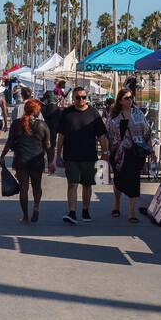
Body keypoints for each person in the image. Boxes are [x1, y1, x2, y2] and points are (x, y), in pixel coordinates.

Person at [53, 85, 108, 225]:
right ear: (73, 98)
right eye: (78, 97)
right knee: (72, 184)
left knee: (87, 185)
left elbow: (101, 136)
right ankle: (72, 212)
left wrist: (105, 153)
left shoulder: (94, 113)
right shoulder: (66, 113)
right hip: (71, 156)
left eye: (84, 97)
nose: (81, 100)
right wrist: (57, 155)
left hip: (89, 156)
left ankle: (85, 210)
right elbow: (61, 136)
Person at [1, 97, 53, 224]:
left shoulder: (17, 124)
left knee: (23, 188)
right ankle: (36, 206)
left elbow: (10, 141)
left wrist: (2, 156)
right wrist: (51, 161)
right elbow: (48, 145)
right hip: (37, 161)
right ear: (35, 111)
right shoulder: (42, 125)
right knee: (37, 186)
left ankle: (25, 216)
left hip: (21, 160)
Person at [107, 85, 154, 223]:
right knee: (118, 179)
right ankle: (116, 204)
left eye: (131, 98)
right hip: (118, 153)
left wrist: (151, 151)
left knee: (134, 181)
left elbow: (147, 133)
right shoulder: (114, 116)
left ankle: (132, 213)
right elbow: (109, 134)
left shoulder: (138, 113)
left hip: (135, 152)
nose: (130, 100)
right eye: (126, 98)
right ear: (120, 100)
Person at [40, 90, 61, 158]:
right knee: (52, 144)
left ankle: (45, 157)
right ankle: (51, 159)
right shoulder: (57, 108)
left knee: (44, 143)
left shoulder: (44, 107)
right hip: (54, 128)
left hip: (44, 127)